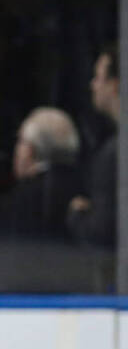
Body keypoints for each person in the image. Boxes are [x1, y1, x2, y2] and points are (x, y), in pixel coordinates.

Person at [0, 106, 83, 240]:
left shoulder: (24, 197)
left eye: (20, 141)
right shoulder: (82, 185)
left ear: (30, 149)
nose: (16, 150)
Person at [69, 43, 119, 246]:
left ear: (115, 84)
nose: (93, 84)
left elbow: (100, 235)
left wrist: (77, 214)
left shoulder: (114, 154)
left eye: (98, 77)